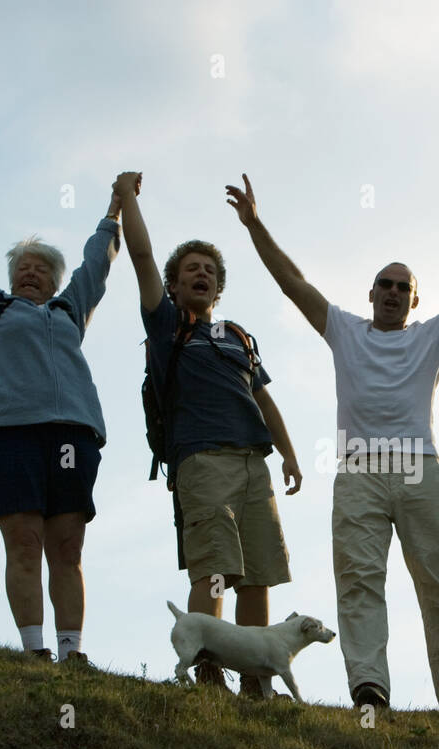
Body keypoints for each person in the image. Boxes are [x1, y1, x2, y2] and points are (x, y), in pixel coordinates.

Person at [228, 173, 439, 710]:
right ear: (370, 294)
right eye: (385, 284)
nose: (393, 292)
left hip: (419, 470)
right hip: (359, 470)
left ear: (414, 299)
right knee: (360, 582)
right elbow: (293, 282)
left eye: (403, 287)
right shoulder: (343, 329)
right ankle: (369, 686)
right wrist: (255, 224)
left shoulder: (432, 335)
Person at [113, 172, 302, 696]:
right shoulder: (168, 326)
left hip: (253, 463)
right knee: (217, 570)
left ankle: (256, 683)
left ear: (219, 286)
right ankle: (207, 673)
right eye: (191, 269)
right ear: (174, 286)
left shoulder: (238, 336)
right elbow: (144, 259)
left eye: (210, 270)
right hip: (201, 461)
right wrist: (127, 198)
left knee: (259, 573)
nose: (202, 274)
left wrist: (288, 454)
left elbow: (263, 398)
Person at [0, 150, 119, 665]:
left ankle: (72, 654)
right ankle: (33, 651)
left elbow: (97, 264)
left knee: (67, 546)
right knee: (23, 541)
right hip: (7, 433)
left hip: (72, 434)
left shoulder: (71, 309)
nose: (29, 273)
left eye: (40, 269)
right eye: (21, 267)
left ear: (53, 279)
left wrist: (113, 212)